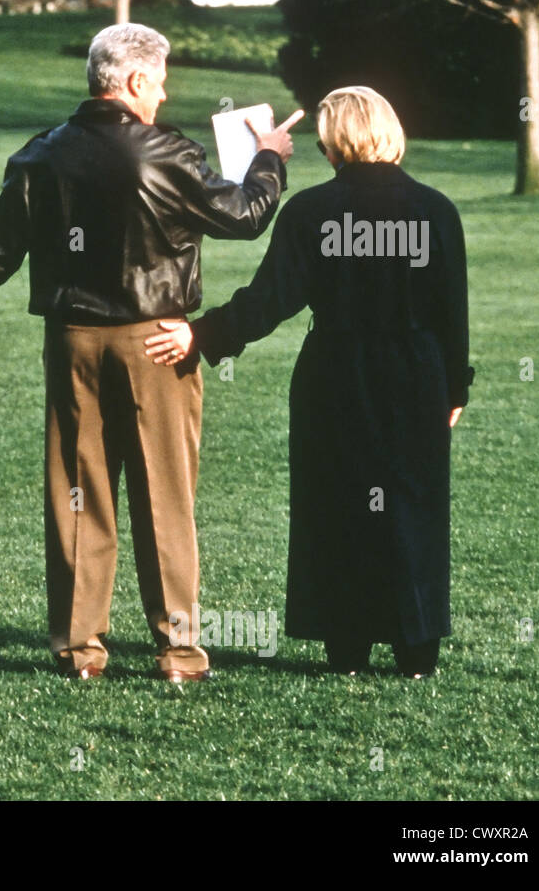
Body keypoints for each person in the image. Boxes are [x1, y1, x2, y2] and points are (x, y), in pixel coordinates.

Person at [0, 23, 302, 681]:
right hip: (157, 344)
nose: (164, 97)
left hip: (72, 341)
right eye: (161, 84)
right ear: (136, 80)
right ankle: (177, 652)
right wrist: (270, 158)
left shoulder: (41, 154)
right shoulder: (166, 154)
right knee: (164, 498)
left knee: (79, 495)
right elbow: (245, 217)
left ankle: (79, 649)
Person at [145, 86, 472, 678]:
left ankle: (345, 644)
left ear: (332, 140)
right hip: (415, 375)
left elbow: (271, 300)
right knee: (413, 507)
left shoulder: (312, 211)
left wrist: (204, 335)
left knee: (337, 505)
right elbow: (452, 310)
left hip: (335, 372)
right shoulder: (436, 210)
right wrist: (455, 388)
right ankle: (416, 646)